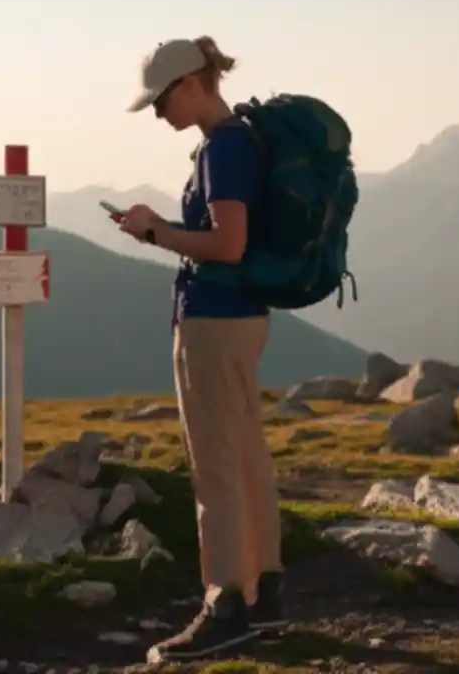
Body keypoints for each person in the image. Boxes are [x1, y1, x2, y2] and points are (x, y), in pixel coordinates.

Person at [116, 36, 286, 663]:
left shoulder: (222, 148)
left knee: (215, 466)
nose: (159, 112)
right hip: (245, 317)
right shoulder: (244, 139)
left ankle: (224, 606)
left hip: (213, 320)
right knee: (246, 458)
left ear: (191, 83)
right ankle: (266, 597)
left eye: (161, 100)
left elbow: (228, 244)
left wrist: (155, 230)